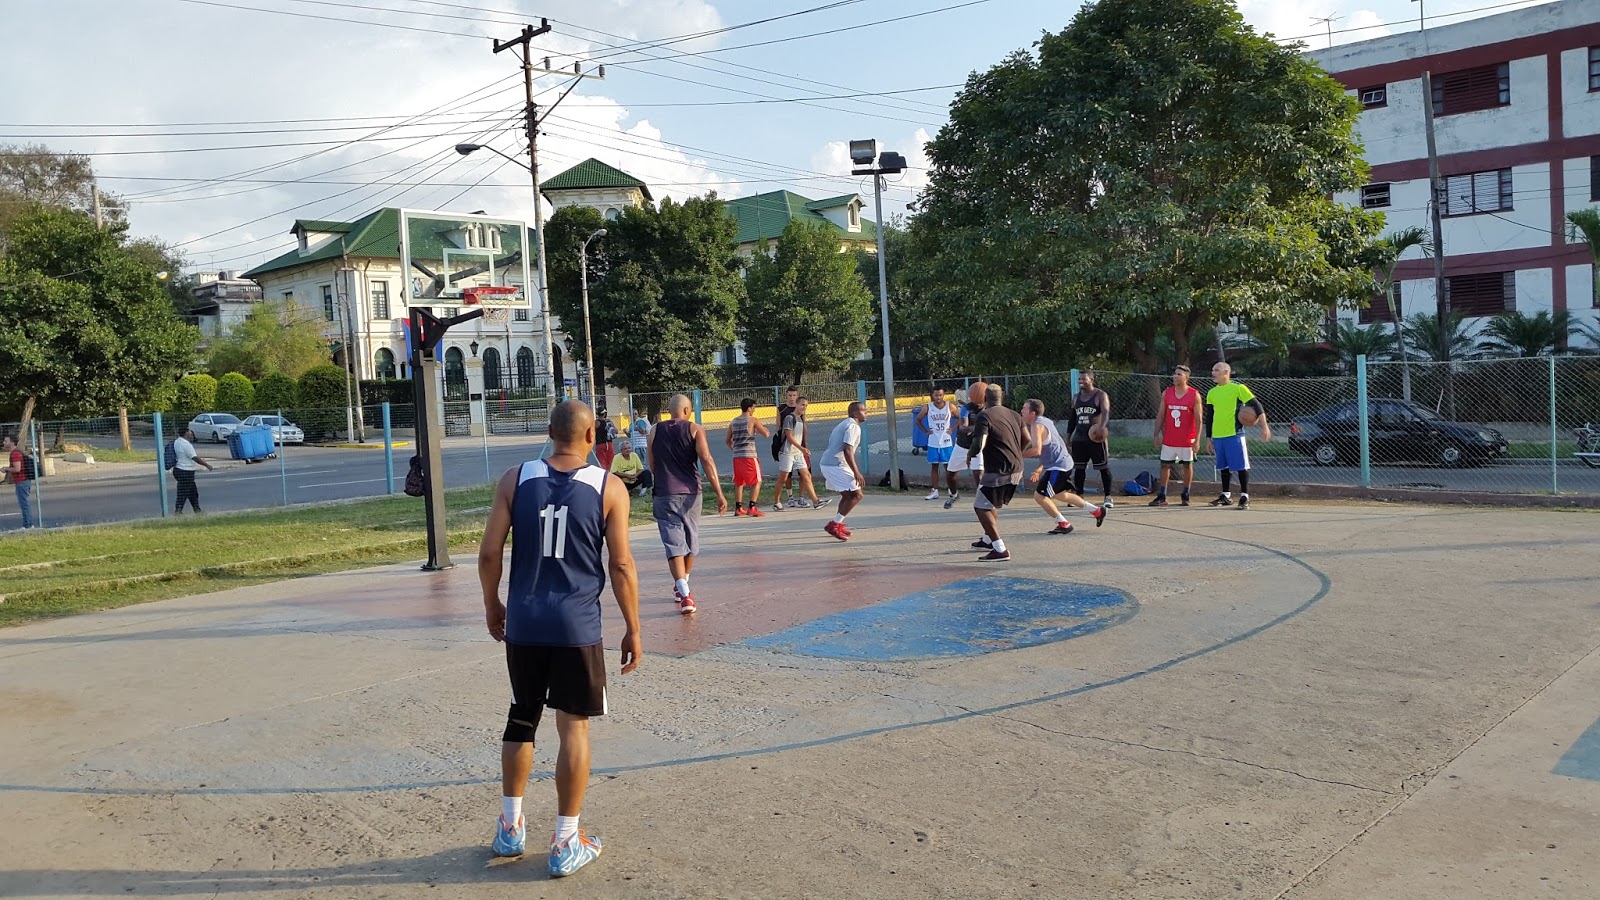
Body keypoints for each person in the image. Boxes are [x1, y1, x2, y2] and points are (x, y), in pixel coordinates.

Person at [477, 399, 641, 879]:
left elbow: (489, 554)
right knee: (574, 728)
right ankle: (566, 839)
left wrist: (493, 605)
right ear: (593, 437)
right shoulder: (610, 487)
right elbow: (622, 565)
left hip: (525, 624)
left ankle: (510, 826)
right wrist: (633, 626)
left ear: (550, 432)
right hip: (576, 627)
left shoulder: (515, 478)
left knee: (522, 717)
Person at [647, 394, 727, 614]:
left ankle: (683, 589)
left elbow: (652, 464)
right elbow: (707, 460)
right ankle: (684, 589)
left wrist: (663, 477)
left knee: (674, 544)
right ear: (686, 410)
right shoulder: (695, 429)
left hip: (664, 493)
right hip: (692, 492)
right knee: (691, 542)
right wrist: (719, 493)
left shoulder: (655, 430)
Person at [1021, 399, 1105, 534]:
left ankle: (1064, 524)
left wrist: (1017, 455)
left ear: (1033, 413)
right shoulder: (1045, 421)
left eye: (1024, 408)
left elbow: (1037, 450)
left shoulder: (1037, 426)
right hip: (1063, 463)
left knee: (1040, 496)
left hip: (1058, 466)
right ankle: (1096, 511)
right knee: (1061, 495)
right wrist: (1039, 468)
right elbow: (1050, 449)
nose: (1021, 411)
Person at [968, 385, 1029, 561]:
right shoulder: (1015, 415)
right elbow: (1027, 439)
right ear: (1001, 397)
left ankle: (999, 548)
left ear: (984, 399)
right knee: (990, 503)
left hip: (998, 470)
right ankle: (987, 539)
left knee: (980, 506)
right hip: (1017, 467)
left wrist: (969, 454)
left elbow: (979, 443)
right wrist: (1016, 453)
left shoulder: (984, 416)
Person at [1204, 362, 1270, 510]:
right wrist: (1208, 437)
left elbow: (1257, 406)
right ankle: (1226, 495)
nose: (1213, 372)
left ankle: (1244, 496)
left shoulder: (1238, 388)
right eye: (1212, 369)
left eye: (1217, 370)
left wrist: (1264, 426)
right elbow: (1209, 417)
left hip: (1235, 434)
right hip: (1218, 435)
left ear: (1226, 372)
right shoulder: (1211, 393)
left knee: (1241, 466)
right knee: (1224, 467)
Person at [1151, 364, 1204, 507]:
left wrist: (1197, 440)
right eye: (1174, 373)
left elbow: (1199, 419)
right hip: (1169, 438)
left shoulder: (1194, 395)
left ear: (1186, 377)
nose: (1175, 376)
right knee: (1164, 465)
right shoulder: (1167, 393)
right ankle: (1162, 494)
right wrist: (1156, 434)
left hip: (1187, 439)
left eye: (1179, 374)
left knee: (1187, 466)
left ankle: (1185, 493)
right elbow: (1161, 415)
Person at [820, 402, 868, 541]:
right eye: (863, 411)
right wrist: (856, 472)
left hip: (829, 463)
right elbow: (848, 450)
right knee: (857, 495)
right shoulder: (853, 426)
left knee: (847, 495)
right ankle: (833, 525)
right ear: (854, 413)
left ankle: (838, 523)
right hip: (835, 464)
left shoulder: (845, 423)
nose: (866, 413)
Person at [771, 396, 827, 513]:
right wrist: (802, 448)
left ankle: (815, 501)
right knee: (783, 478)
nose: (804, 407)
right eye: (802, 405)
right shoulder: (789, 418)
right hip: (787, 453)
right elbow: (789, 436)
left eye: (806, 406)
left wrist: (802, 449)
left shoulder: (800, 419)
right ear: (796, 404)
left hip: (798, 453)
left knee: (806, 475)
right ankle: (776, 502)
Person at [1068, 371, 1115, 507]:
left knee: (1103, 468)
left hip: (1095, 437)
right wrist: (1068, 435)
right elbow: (1072, 418)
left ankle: (1108, 497)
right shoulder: (1076, 397)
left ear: (1091, 379)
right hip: (1079, 437)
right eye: (1079, 379)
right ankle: (1079, 496)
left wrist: (1102, 427)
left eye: (1084, 378)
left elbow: (1106, 412)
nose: (1081, 381)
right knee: (1079, 468)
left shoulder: (1100, 395)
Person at [945, 379, 988, 510]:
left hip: (978, 446)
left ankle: (983, 504)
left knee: (979, 475)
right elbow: (963, 427)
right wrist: (977, 428)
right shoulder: (966, 409)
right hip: (962, 445)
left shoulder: (990, 408)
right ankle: (954, 494)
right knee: (950, 474)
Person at [725, 398, 771, 517]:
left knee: (739, 482)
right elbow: (766, 434)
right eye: (754, 407)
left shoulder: (733, 422)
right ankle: (752, 506)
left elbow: (727, 440)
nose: (754, 410)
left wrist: (735, 449)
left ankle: (738, 507)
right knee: (757, 480)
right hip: (749, 455)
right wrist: (764, 428)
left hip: (737, 456)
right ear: (750, 408)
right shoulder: (752, 420)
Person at [915, 387, 960, 502]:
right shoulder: (927, 407)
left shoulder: (950, 406)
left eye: (940, 395)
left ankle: (952, 489)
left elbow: (960, 418)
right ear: (932, 395)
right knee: (934, 466)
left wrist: (952, 428)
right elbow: (918, 420)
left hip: (946, 440)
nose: (938, 398)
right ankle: (935, 490)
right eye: (936, 395)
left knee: (948, 466)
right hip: (933, 440)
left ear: (943, 395)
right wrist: (925, 431)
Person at [171, 427, 214, 514]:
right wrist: (207, 465)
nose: (191, 433)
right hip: (185, 470)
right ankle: (178, 511)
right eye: (190, 431)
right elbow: (194, 457)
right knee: (182, 492)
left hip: (179, 470)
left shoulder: (177, 442)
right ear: (186, 433)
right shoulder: (186, 444)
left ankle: (197, 510)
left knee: (192, 492)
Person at [772, 387, 801, 507]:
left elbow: (804, 425)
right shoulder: (781, 409)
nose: (792, 398)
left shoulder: (800, 407)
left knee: (804, 472)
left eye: (794, 395)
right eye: (790, 395)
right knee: (787, 473)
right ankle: (790, 496)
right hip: (786, 444)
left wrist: (803, 444)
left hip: (799, 444)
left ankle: (802, 497)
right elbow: (778, 427)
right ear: (786, 396)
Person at [3, 434, 34, 529]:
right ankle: (28, 524)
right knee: (24, 503)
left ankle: (28, 525)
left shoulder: (15, 453)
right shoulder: (16, 452)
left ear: (12, 442)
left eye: (6, 441)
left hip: (22, 481)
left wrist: (6, 469)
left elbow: (17, 468)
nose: (4, 442)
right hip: (22, 481)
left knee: (24, 503)